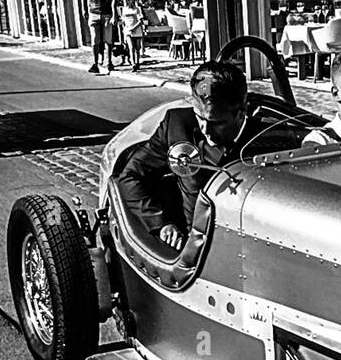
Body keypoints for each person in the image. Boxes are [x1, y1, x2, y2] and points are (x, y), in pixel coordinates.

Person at [115, 61, 271, 249]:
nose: (205, 129)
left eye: (216, 122)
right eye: (199, 117)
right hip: (195, 251)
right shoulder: (176, 125)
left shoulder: (271, 136)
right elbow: (131, 176)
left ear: (242, 111)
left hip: (253, 246)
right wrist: (162, 224)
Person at [84, 0, 117, 74]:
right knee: (95, 39)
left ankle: (109, 62)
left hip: (106, 14)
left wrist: (114, 15)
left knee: (108, 39)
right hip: (94, 13)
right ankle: (95, 64)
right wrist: (84, 9)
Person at [120, 0, 141, 71]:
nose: (127, 1)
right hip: (128, 31)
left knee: (137, 48)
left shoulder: (137, 9)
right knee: (131, 47)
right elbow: (123, 20)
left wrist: (134, 28)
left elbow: (140, 21)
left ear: (132, 0)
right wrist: (124, 29)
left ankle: (137, 62)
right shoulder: (124, 10)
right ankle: (133, 63)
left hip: (137, 30)